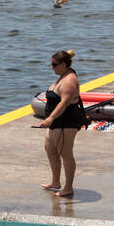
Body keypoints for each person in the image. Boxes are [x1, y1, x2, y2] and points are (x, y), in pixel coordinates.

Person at [36, 49, 85, 198]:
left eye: (54, 64)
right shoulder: (62, 76)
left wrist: (50, 118)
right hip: (56, 123)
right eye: (51, 64)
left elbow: (64, 103)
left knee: (66, 154)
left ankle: (68, 187)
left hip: (66, 122)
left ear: (63, 64)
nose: (52, 67)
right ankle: (55, 182)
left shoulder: (69, 80)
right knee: (50, 149)